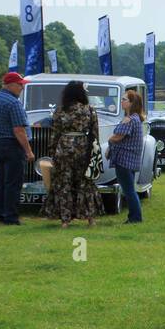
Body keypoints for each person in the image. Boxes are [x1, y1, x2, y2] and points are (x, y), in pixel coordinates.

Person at [41, 80, 104, 227]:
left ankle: (65, 220)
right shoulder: (89, 110)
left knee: (64, 183)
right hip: (83, 148)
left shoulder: (60, 110)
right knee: (86, 183)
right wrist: (95, 152)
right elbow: (95, 133)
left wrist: (52, 151)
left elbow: (55, 133)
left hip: (64, 147)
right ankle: (90, 218)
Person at [0, 71, 35, 225]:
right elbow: (19, 130)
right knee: (13, 182)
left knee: (0, 180)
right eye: (20, 85)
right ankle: (11, 217)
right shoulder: (13, 103)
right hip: (12, 145)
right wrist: (28, 150)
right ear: (11, 85)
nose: (21, 88)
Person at [107, 89, 146, 224]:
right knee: (130, 189)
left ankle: (135, 218)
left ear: (131, 103)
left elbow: (118, 136)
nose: (122, 101)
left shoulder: (129, 119)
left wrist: (110, 139)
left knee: (128, 190)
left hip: (124, 160)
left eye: (124, 99)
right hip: (131, 160)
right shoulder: (137, 118)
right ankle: (135, 216)